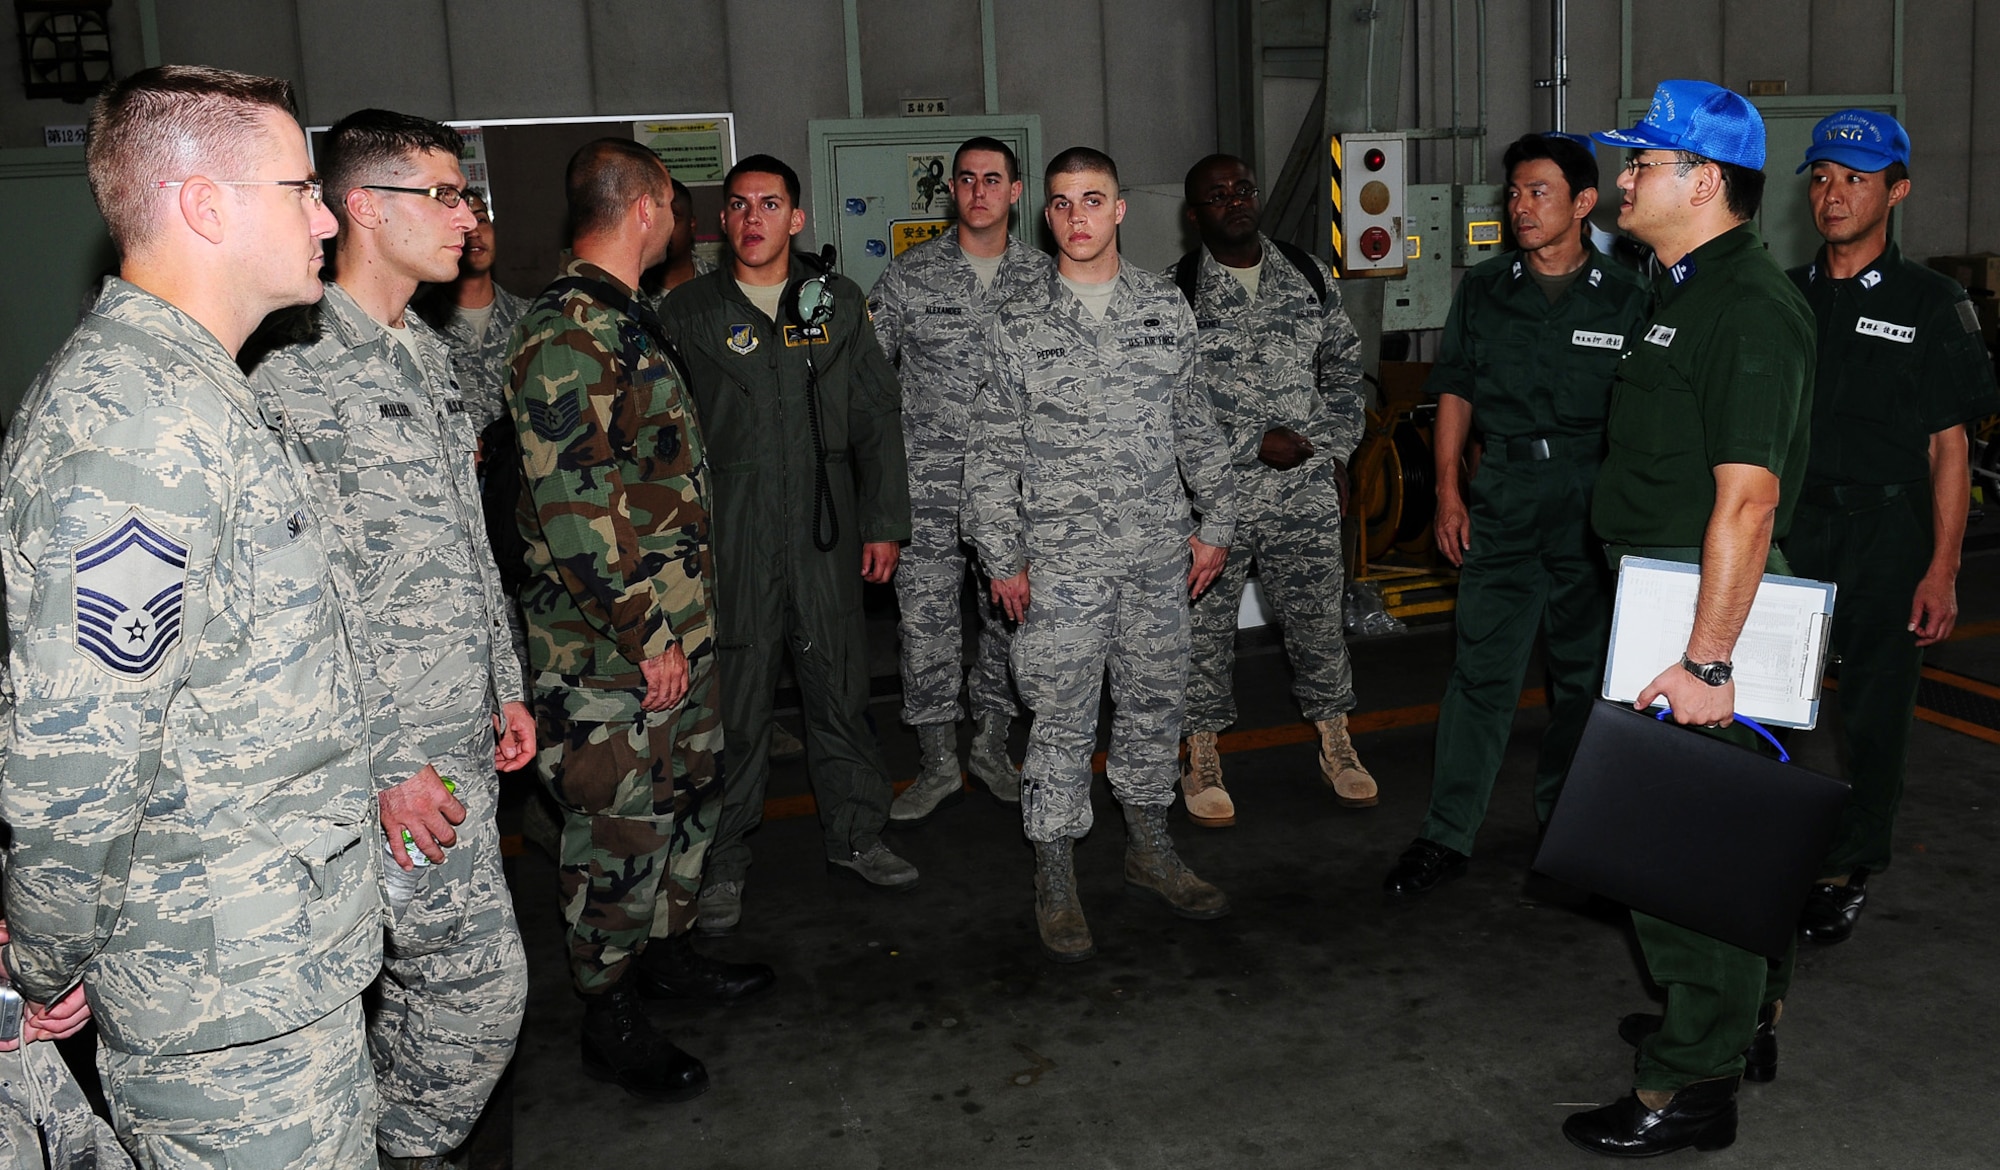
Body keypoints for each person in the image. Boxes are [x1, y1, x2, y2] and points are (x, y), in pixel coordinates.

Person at [0, 64, 384, 1166]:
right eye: (300, 188)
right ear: (205, 207)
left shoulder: (197, 389)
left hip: (275, 968)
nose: (324, 216)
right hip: (218, 1005)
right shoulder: (134, 428)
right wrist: (42, 962)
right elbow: (73, 762)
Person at [245, 108, 533, 1169]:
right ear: (365, 207)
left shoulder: (423, 352)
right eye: (445, 195)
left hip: (455, 741)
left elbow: (465, 540)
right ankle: (400, 1152)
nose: (468, 216)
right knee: (474, 993)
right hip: (384, 760)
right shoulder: (292, 371)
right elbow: (293, 597)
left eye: (466, 195)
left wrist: (505, 681)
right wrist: (381, 761)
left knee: (422, 988)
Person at [1560, 81, 1815, 1157]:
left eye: (1640, 164)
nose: (1620, 180)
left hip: (1701, 617)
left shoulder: (1746, 308)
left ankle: (1688, 1085)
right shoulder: (1674, 289)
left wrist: (1705, 662)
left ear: (1701, 180)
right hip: (1666, 599)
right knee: (1727, 848)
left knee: (1679, 865)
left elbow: (1746, 500)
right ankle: (1734, 1016)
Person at [508, 138, 772, 1103]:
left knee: (682, 803)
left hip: (671, 638)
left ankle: (667, 953)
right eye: (682, 205)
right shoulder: (570, 335)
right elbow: (579, 515)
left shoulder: (624, 320)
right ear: (649, 207)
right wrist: (645, 636)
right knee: (619, 829)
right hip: (615, 654)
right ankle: (607, 1010)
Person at [965, 146, 1237, 963]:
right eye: (1060, 203)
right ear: (1043, 215)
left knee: (1156, 707)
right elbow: (990, 452)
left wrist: (1217, 520)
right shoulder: (1014, 324)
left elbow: (1195, 421)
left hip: (1158, 556)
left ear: (1120, 209)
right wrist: (1002, 558)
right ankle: (1055, 871)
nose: (1077, 216)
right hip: (1061, 566)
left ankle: (1149, 848)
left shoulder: (1164, 307)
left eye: (1093, 200)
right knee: (1059, 719)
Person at [1383, 133, 1651, 894]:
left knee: (1584, 681)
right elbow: (1456, 392)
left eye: (1538, 191)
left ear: (1583, 204)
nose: (1520, 206)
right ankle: (1446, 835)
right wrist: (1446, 492)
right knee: (1480, 675)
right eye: (1514, 193)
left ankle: (1567, 833)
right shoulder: (1486, 290)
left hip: (1593, 505)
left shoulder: (1629, 296)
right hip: (1502, 497)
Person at [659, 154, 917, 933]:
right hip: (730, 534)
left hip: (824, 528)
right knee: (733, 709)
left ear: (796, 218)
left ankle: (857, 834)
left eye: (770, 204)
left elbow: (876, 416)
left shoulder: (833, 302)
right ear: (721, 221)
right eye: (738, 206)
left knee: (839, 688)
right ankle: (721, 864)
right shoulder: (689, 311)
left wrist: (884, 522)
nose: (753, 219)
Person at [1783, 110, 2000, 943]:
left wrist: (1942, 570)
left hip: (1886, 536)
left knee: (1874, 714)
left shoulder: (1933, 304)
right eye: (1824, 177)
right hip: (1798, 531)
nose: (1833, 196)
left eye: (1857, 179)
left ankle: (1849, 864)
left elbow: (1951, 449)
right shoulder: (1788, 297)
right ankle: (1768, 841)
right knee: (1772, 702)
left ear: (1896, 192)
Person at [1171, 153, 1373, 828]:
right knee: (1203, 633)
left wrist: (1336, 451)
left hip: (1304, 497)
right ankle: (1199, 754)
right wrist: (1249, 443)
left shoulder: (1309, 275)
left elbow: (1347, 373)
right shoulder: (1176, 294)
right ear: (1195, 213)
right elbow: (1166, 406)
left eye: (1242, 189)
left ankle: (1337, 742)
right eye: (1216, 195)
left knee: (1319, 623)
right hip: (1215, 502)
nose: (1234, 201)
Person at [869, 136, 1051, 825]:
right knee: (926, 629)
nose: (979, 191)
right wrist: (878, 498)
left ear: (1014, 191)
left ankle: (992, 746)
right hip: (929, 491)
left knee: (1011, 624)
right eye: (968, 180)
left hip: (1015, 497)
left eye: (993, 179)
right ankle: (938, 761)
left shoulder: (1044, 278)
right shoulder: (910, 277)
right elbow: (870, 392)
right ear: (953, 189)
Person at [428, 188, 533, 433]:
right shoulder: (419, 323)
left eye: (481, 219)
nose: (474, 231)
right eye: (462, 221)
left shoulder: (530, 319)